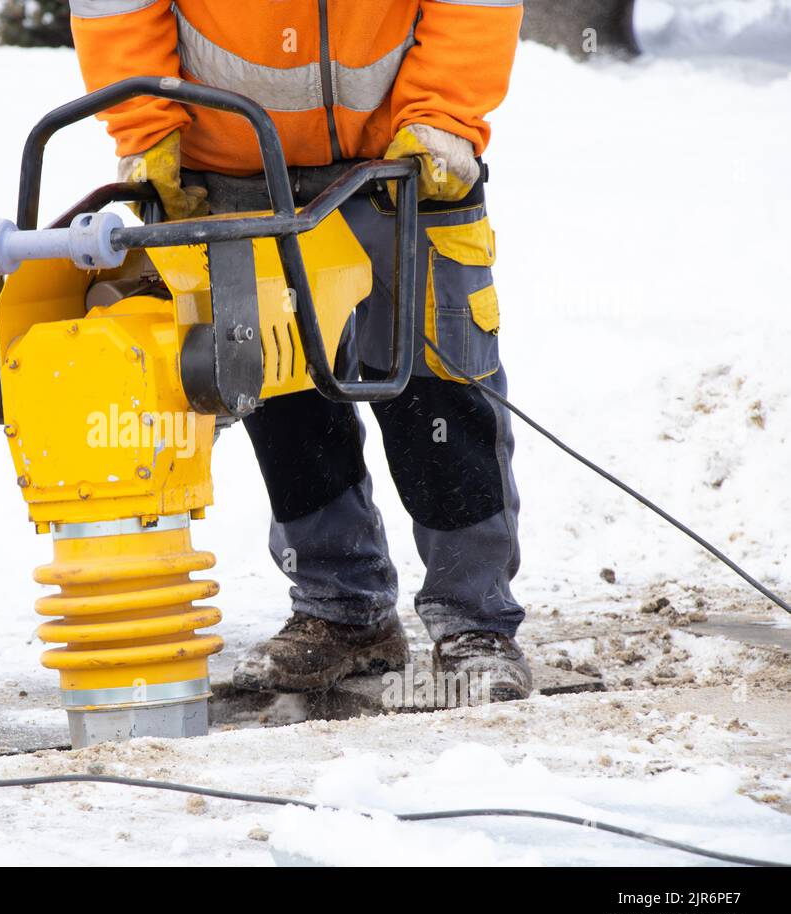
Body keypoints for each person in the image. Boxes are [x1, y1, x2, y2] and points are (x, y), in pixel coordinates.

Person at [69, 0, 532, 701]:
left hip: (408, 154)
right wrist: (149, 122)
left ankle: (475, 621)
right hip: (228, 166)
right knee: (279, 393)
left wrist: (442, 115)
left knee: (438, 386)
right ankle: (341, 609)